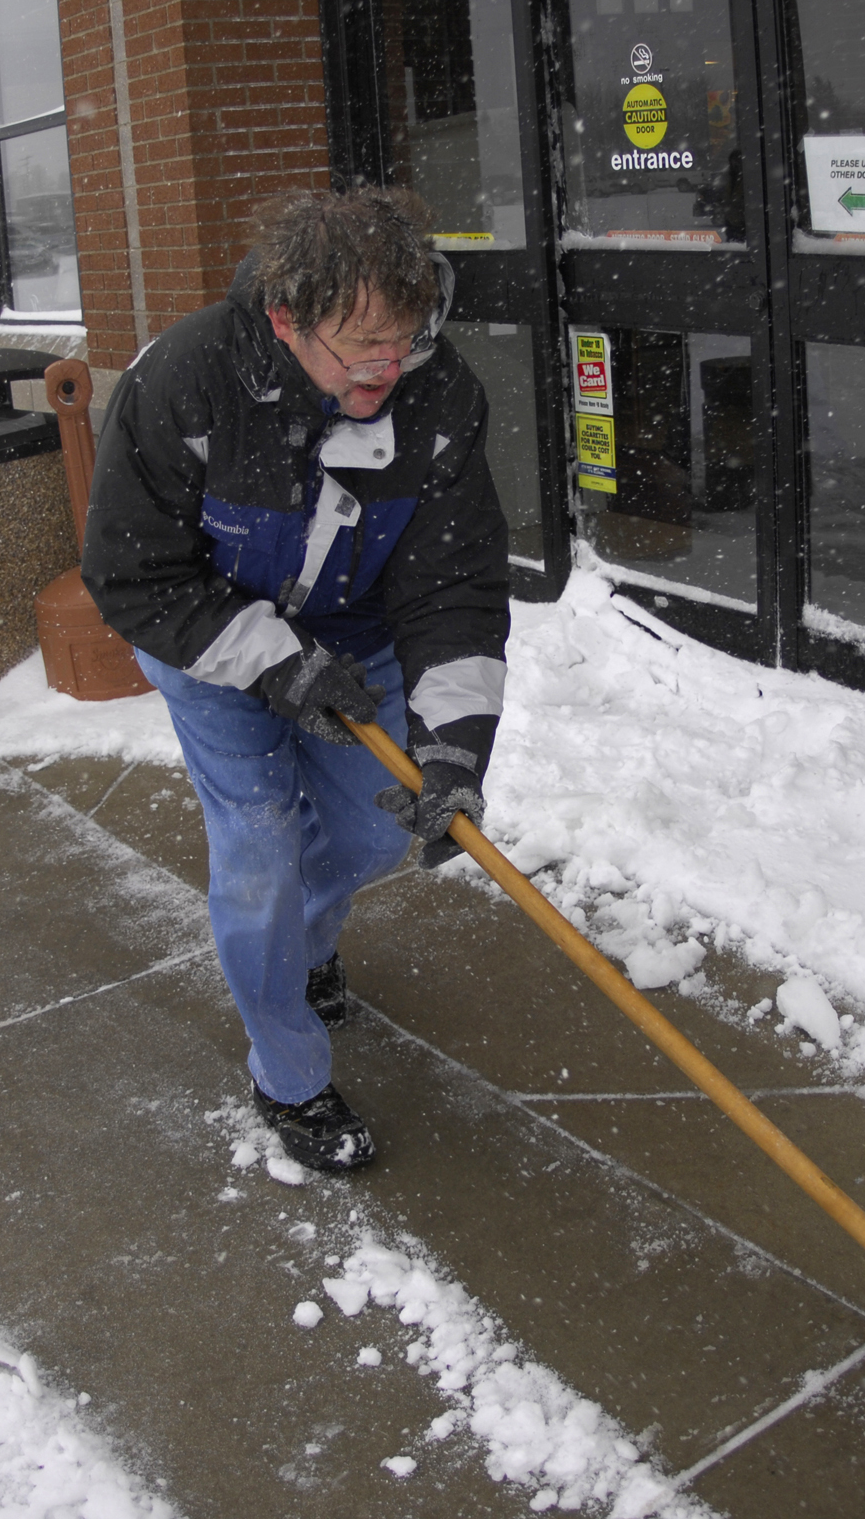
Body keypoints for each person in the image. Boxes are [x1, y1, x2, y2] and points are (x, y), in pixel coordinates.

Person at [80, 187, 511, 1174]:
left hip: (361, 645)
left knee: (369, 832)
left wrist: (451, 741)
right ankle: (289, 1073)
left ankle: (304, 948)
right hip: (211, 643)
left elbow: (453, 580)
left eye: (400, 342)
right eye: (357, 347)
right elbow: (131, 573)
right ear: (284, 318)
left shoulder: (438, 398)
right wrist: (273, 660)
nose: (384, 370)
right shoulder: (186, 383)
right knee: (261, 853)